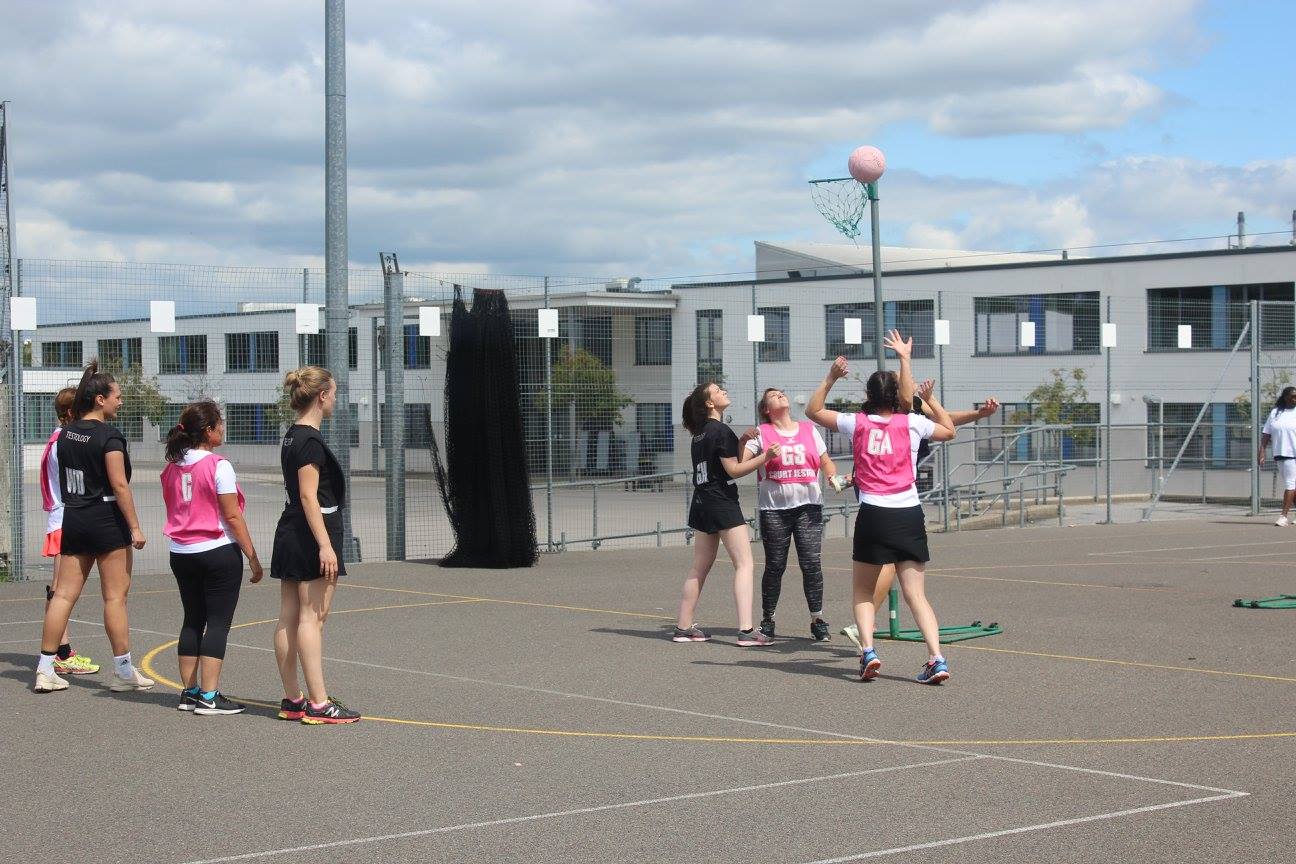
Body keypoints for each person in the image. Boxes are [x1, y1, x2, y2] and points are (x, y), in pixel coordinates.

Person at [806, 331, 956, 684]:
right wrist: (927, 398)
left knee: (861, 591)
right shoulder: (914, 422)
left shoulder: (856, 423)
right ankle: (936, 658)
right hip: (908, 512)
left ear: (868, 396)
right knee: (916, 594)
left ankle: (869, 652)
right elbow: (949, 430)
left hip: (874, 513)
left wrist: (830, 378)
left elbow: (813, 411)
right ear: (899, 397)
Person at [839, 380, 999, 648]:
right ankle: (870, 626)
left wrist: (979, 415)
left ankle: (867, 627)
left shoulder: (911, 407)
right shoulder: (889, 412)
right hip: (881, 490)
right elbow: (945, 424)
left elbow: (944, 419)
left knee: (890, 567)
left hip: (894, 493)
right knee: (890, 567)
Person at [34, 362, 153, 694]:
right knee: (114, 597)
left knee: (64, 595)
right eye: (117, 396)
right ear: (100, 399)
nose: (121, 401)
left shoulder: (65, 435)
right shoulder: (109, 437)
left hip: (74, 518)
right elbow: (120, 485)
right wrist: (135, 527)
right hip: (105, 519)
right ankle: (124, 671)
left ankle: (45, 669)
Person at [161, 401, 265, 716]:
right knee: (218, 622)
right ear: (208, 430)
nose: (223, 428)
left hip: (181, 552)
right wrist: (252, 556)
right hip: (216, 550)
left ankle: (190, 692)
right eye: (220, 423)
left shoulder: (172, 466)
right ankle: (209, 696)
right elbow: (231, 515)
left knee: (193, 619)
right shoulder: (218, 465)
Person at [270, 366, 360, 724]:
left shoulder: (292, 436)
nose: (336, 399)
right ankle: (319, 704)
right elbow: (309, 497)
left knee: (289, 615)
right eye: (334, 392)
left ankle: (294, 699)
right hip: (312, 531)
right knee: (312, 617)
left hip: (292, 528)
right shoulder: (308, 441)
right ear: (321, 396)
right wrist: (325, 545)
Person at [673, 381, 780, 646]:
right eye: (718, 390)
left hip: (702, 501)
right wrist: (766, 456)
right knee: (744, 564)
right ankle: (746, 630)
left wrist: (742, 441)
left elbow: (728, 462)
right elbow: (734, 470)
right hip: (721, 501)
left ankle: (683, 626)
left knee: (699, 567)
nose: (724, 391)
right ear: (709, 403)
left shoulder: (700, 433)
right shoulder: (719, 430)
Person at [738, 387, 837, 641]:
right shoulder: (761, 433)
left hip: (809, 506)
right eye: (773, 395)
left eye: (782, 393)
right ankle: (768, 619)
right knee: (775, 566)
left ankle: (818, 619)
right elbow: (741, 464)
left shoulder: (808, 429)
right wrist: (744, 442)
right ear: (766, 409)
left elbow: (825, 460)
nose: (780, 395)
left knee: (811, 563)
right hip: (774, 509)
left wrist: (832, 475)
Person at [38, 387, 99, 677]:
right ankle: (58, 654)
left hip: (61, 518)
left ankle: (61, 651)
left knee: (59, 590)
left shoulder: (58, 438)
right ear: (71, 413)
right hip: (66, 519)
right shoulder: (63, 442)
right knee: (60, 592)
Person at [1260, 385, 1296, 526]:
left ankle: (1283, 516)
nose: (1295, 399)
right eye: (1293, 396)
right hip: (1280, 453)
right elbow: (1266, 433)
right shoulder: (1276, 413)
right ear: (1286, 397)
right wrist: (1262, 450)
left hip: (1293, 454)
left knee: (1290, 484)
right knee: (1292, 484)